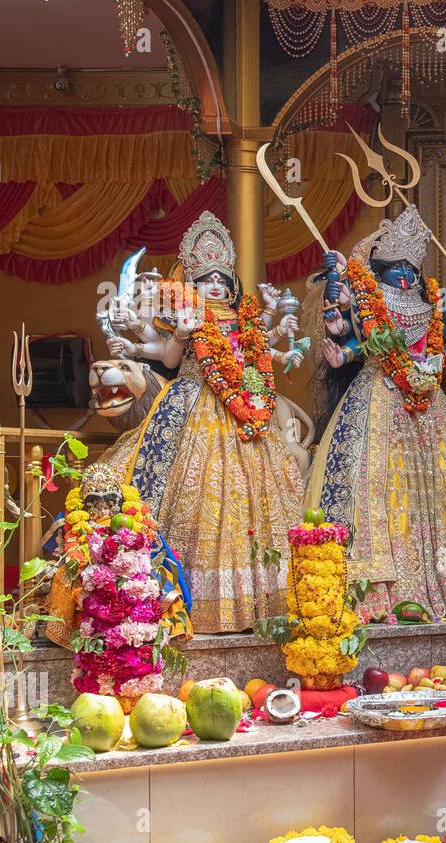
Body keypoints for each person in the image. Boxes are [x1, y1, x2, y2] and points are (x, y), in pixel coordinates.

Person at [96, 211, 306, 633]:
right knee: (195, 489)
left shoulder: (242, 318)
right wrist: (179, 335)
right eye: (206, 277)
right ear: (191, 282)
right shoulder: (183, 316)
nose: (214, 284)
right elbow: (170, 361)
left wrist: (279, 322)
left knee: (256, 494)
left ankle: (262, 600)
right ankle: (179, 596)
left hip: (245, 414)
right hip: (193, 406)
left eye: (221, 278)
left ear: (231, 283)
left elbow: (257, 354)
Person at [304, 205, 446, 620]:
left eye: (410, 269)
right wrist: (336, 287)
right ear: (379, 270)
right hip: (376, 400)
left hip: (428, 404)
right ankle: (378, 592)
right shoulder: (366, 296)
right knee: (376, 485)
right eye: (394, 269)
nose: (404, 277)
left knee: (442, 491)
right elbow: (351, 335)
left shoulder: (427, 303)